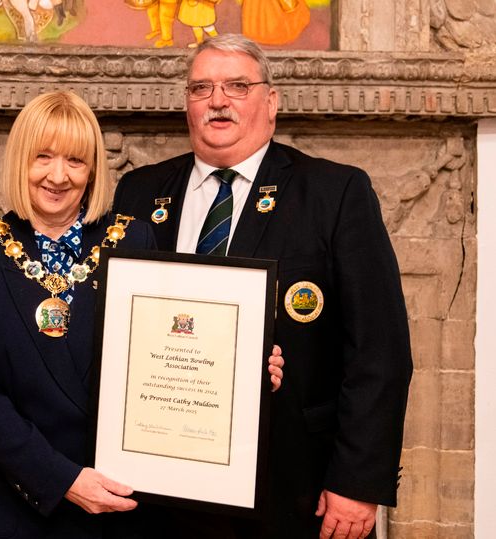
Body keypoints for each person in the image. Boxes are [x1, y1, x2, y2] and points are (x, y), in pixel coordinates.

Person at [0, 90, 285, 538]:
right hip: (5, 508)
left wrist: (241, 370)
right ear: (19, 161)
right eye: (42, 157)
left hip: (110, 506)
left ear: (93, 170)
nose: (58, 176)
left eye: (75, 160)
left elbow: (169, 352)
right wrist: (61, 479)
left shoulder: (134, 239)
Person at [113, 34, 412, 539]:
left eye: (237, 86)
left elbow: (378, 351)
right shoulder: (140, 191)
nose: (218, 100)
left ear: (271, 102)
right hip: (157, 482)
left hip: (292, 484)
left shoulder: (334, 192)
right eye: (201, 88)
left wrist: (358, 482)